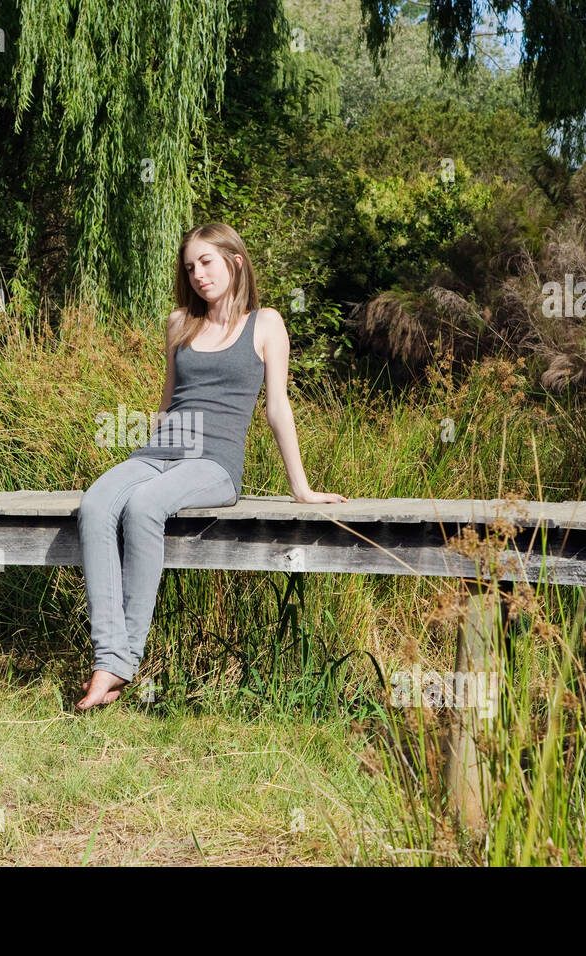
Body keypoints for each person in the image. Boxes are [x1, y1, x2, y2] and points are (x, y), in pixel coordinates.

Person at [75, 222, 347, 711]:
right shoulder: (180, 322)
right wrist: (148, 448)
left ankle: (118, 663)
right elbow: (167, 399)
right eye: (190, 267)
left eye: (206, 262)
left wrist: (301, 488)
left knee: (143, 507)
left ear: (234, 261)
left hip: (214, 463)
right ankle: (107, 659)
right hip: (160, 450)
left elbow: (277, 407)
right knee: (96, 503)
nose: (198, 274)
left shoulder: (266, 325)